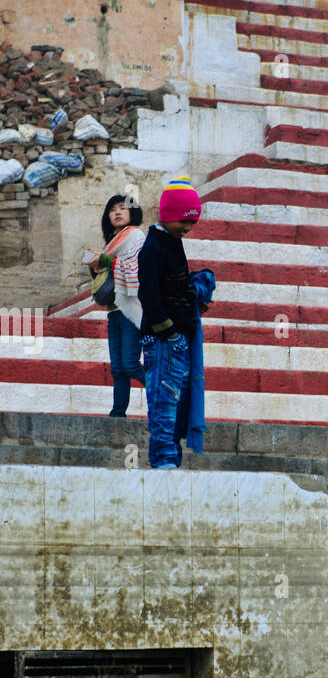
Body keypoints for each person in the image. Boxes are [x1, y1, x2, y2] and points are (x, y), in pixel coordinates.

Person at [137, 176, 213, 470]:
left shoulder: (172, 241)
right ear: (168, 216)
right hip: (163, 341)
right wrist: (169, 332)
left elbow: (174, 287)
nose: (188, 229)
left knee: (176, 404)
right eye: (185, 222)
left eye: (191, 223)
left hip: (176, 340)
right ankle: (163, 461)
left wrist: (194, 299)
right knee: (164, 401)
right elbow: (150, 295)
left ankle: (172, 459)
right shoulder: (154, 248)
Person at [86, 195, 146, 417]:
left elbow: (136, 269)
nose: (117, 212)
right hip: (114, 313)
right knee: (118, 369)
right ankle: (118, 414)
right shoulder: (111, 243)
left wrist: (106, 261)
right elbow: (104, 280)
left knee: (131, 364)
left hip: (132, 310)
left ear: (133, 213)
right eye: (112, 210)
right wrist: (94, 265)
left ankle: (164, 395)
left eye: (122, 208)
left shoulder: (137, 236)